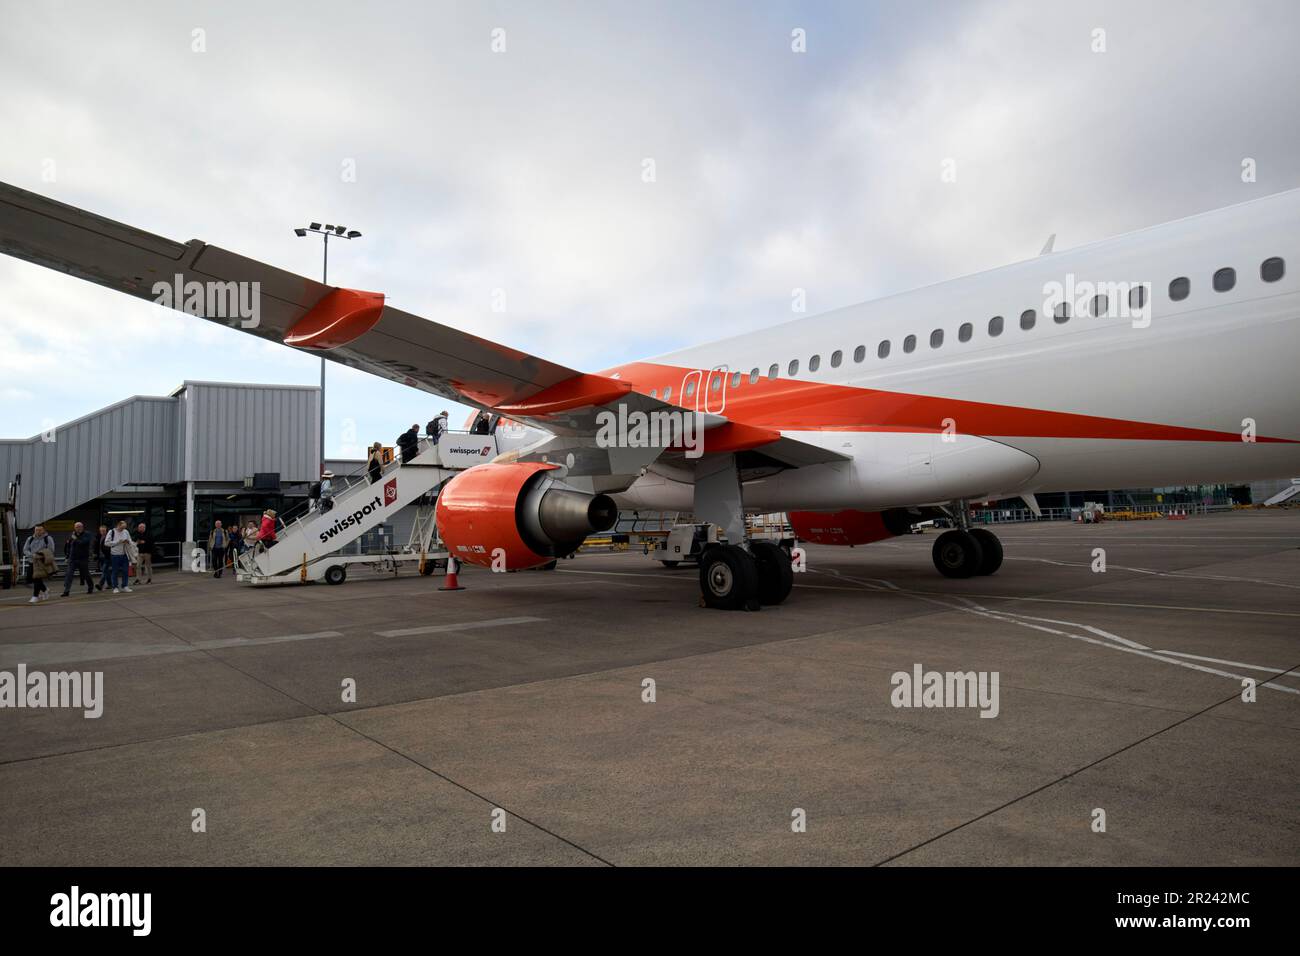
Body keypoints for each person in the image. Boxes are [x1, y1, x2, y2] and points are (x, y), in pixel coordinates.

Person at [23, 524, 56, 603]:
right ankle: (45, 589)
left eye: (40, 530)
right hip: (32, 561)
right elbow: (25, 549)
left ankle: (35, 596)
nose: (38, 531)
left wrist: (40, 555)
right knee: (30, 579)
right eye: (36, 530)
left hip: (41, 562)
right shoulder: (30, 539)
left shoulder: (48, 538)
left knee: (37, 578)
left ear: (44, 530)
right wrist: (32, 555)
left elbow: (51, 550)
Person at [60, 522, 94, 596]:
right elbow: (68, 545)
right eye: (76, 527)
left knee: (86, 574)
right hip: (73, 558)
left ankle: (90, 587)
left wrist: (75, 538)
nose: (78, 528)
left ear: (82, 527)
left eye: (79, 527)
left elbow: (83, 543)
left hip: (83, 558)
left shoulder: (87, 534)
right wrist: (67, 556)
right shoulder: (72, 535)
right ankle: (66, 591)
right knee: (69, 574)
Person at [104, 519, 134, 593]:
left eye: (124, 528)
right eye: (122, 528)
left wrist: (128, 541)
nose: (123, 529)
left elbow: (130, 540)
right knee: (115, 571)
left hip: (124, 554)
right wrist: (118, 541)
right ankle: (115, 587)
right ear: (118, 525)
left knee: (125, 571)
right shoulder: (111, 532)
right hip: (115, 555)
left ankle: (125, 586)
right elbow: (106, 543)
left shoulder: (126, 531)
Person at [94, 524, 112, 591]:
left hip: (107, 557)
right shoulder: (98, 537)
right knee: (106, 571)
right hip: (100, 557)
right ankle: (110, 584)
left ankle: (100, 584)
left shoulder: (109, 537)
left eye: (104, 531)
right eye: (101, 531)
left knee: (104, 570)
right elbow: (95, 546)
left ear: (106, 530)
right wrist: (95, 553)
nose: (102, 532)